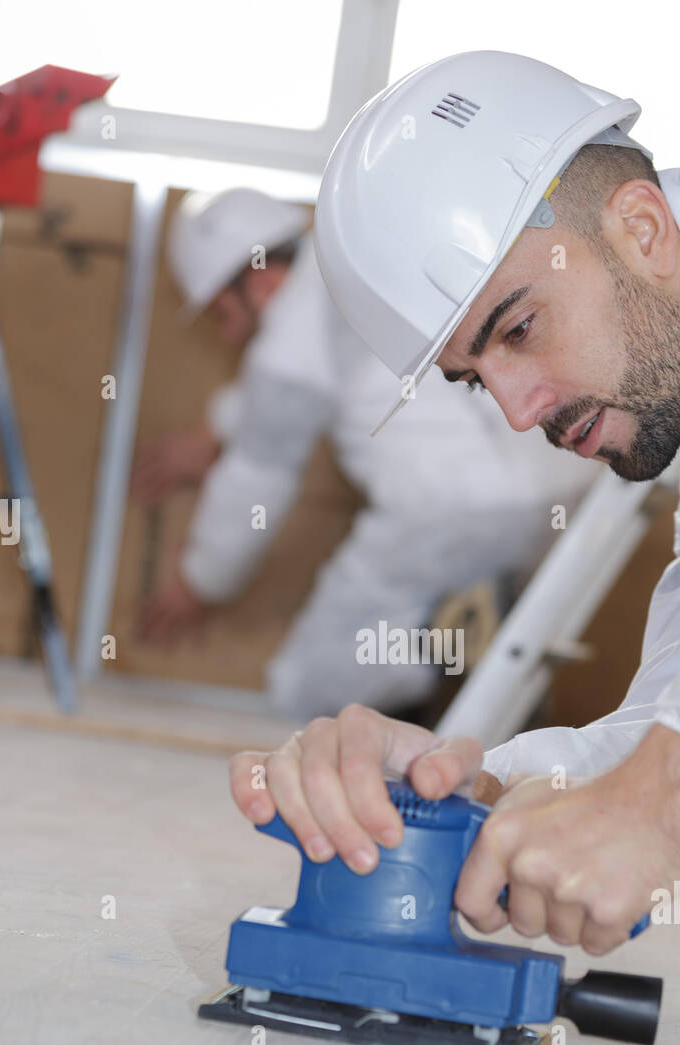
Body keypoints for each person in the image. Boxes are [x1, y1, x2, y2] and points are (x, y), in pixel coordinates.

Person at [228, 43, 680, 955]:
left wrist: (670, 793)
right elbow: (676, 718)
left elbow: (677, 765)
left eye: (518, 328)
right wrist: (468, 792)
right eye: (477, 380)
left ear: (642, 230)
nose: (519, 412)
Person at [132, 187, 580, 719]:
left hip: (447, 510)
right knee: (417, 646)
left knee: (313, 683)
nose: (228, 336)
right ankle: (460, 641)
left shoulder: (288, 338)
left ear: (256, 279)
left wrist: (202, 578)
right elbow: (289, 397)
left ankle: (445, 644)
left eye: (221, 315)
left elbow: (260, 472)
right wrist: (218, 430)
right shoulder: (356, 270)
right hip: (556, 486)